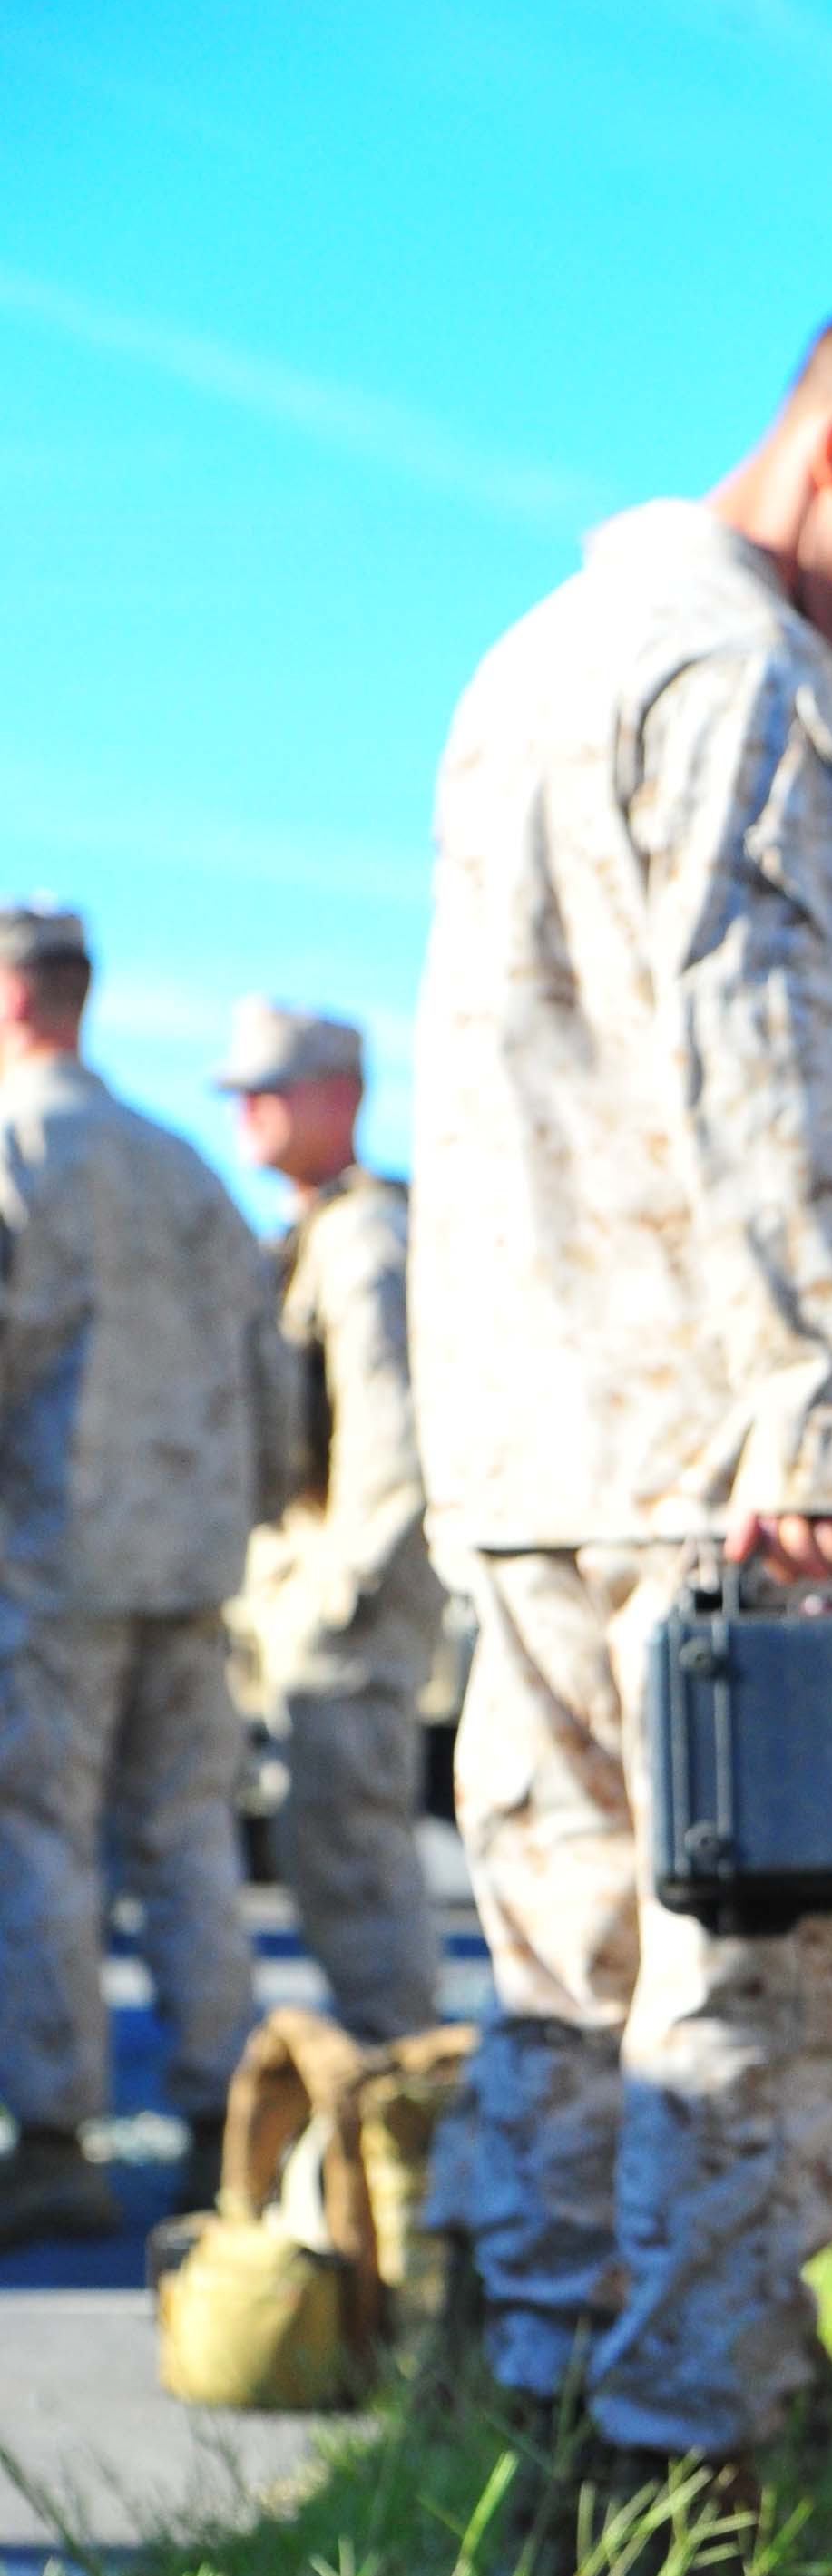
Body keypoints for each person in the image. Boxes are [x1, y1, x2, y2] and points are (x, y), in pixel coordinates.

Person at [407, 249, 832, 2471]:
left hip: (533, 1440)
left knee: (565, 1980)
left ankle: (536, 2441)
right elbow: (760, 1061)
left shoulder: (538, 654)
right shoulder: (743, 674)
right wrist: (821, 1412)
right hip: (723, 1454)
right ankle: (696, 2491)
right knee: (771, 2001)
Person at [0, 904, 291, 2244]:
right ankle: (221, 2127)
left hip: (51, 1561)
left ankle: (54, 2136)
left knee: (42, 1834)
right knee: (187, 1838)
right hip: (190, 1561)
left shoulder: (22, 1148)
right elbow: (273, 1375)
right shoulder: (184, 1167)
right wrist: (251, 1510)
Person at [219, 999, 443, 2047]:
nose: (249, 1109)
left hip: (350, 1600)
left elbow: (391, 1439)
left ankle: (405, 2107)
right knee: (328, 1854)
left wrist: (337, 1599)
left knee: (353, 1856)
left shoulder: (364, 1240)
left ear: (342, 1096)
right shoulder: (311, 1231)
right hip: (312, 1586)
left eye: (274, 1087)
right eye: (243, 1090)